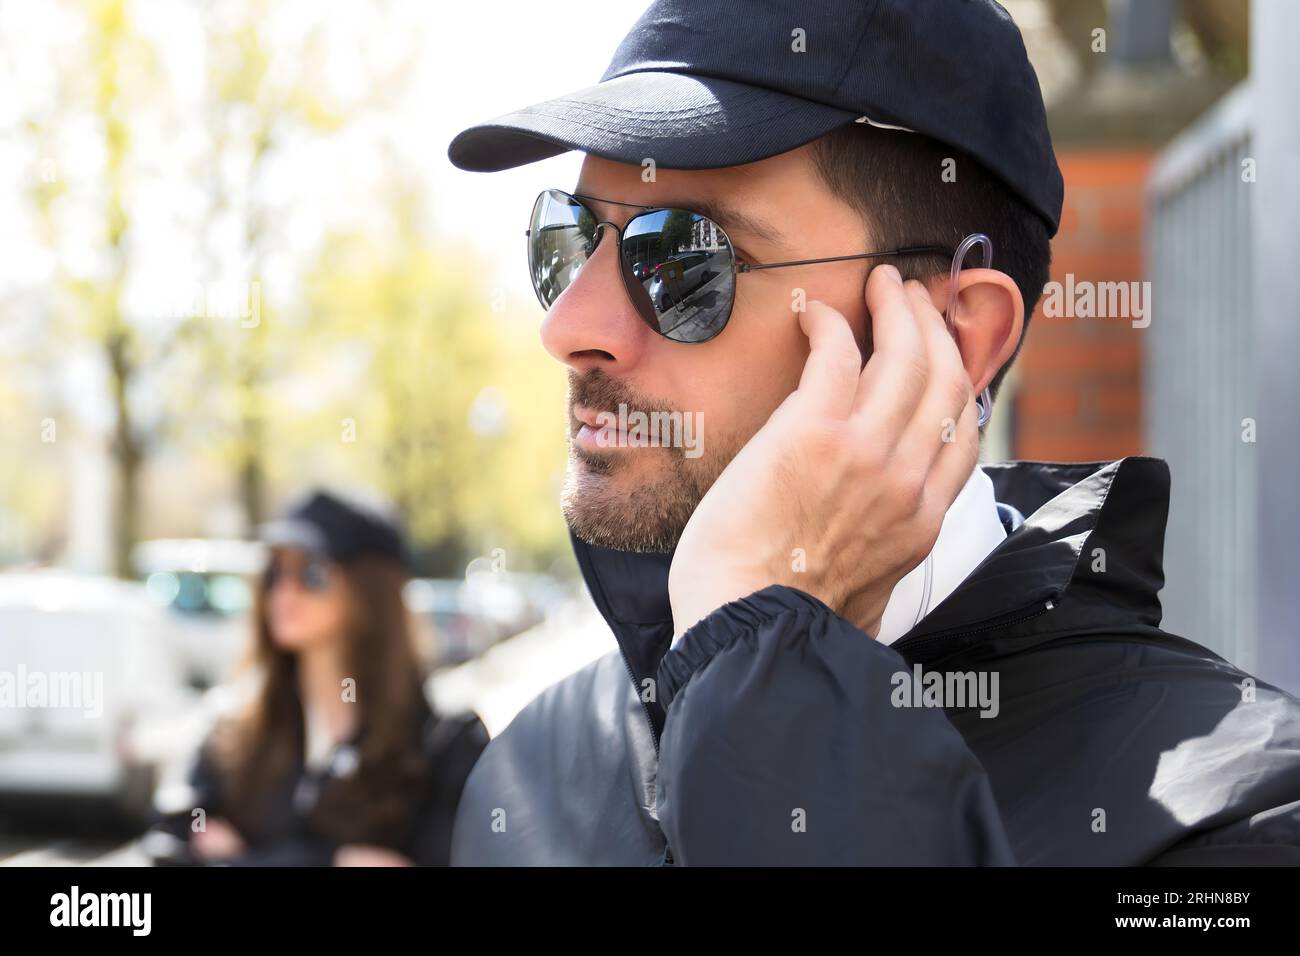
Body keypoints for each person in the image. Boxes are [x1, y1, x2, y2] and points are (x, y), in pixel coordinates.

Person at [442, 0, 1300, 865]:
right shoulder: (531, 772)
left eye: (684, 255)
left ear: (956, 338)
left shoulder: (1240, 818)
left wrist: (761, 659)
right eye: (572, 236)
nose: (569, 327)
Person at [143, 490, 488, 866]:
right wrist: (330, 860)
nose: (285, 591)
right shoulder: (232, 730)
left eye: (311, 572)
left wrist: (240, 857)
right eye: (275, 572)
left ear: (370, 587)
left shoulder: (444, 746)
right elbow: (167, 846)